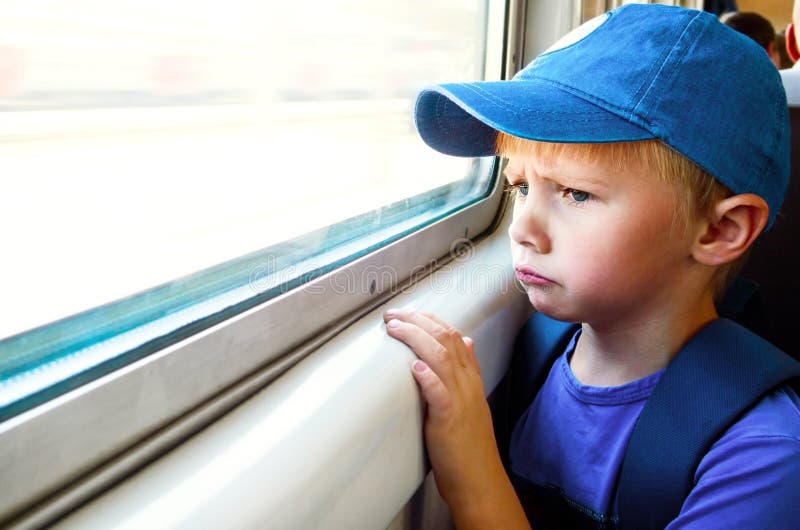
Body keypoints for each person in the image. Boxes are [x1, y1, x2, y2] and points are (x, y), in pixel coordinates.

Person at [383, 4, 800, 529]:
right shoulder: (538, 348)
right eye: (520, 187)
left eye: (576, 193)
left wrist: (473, 477)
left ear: (719, 231)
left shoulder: (763, 458)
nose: (522, 229)